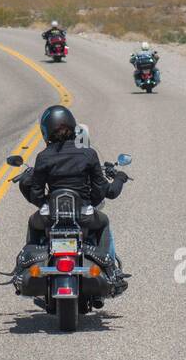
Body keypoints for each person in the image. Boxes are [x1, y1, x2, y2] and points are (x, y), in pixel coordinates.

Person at [17, 105, 127, 259]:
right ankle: (111, 268)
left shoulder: (43, 157)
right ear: (73, 126)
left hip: (52, 218)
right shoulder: (88, 154)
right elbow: (105, 191)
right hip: (84, 217)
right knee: (104, 222)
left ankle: (27, 262)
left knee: (33, 222)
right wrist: (120, 178)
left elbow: (36, 195)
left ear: (46, 131)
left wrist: (45, 203)